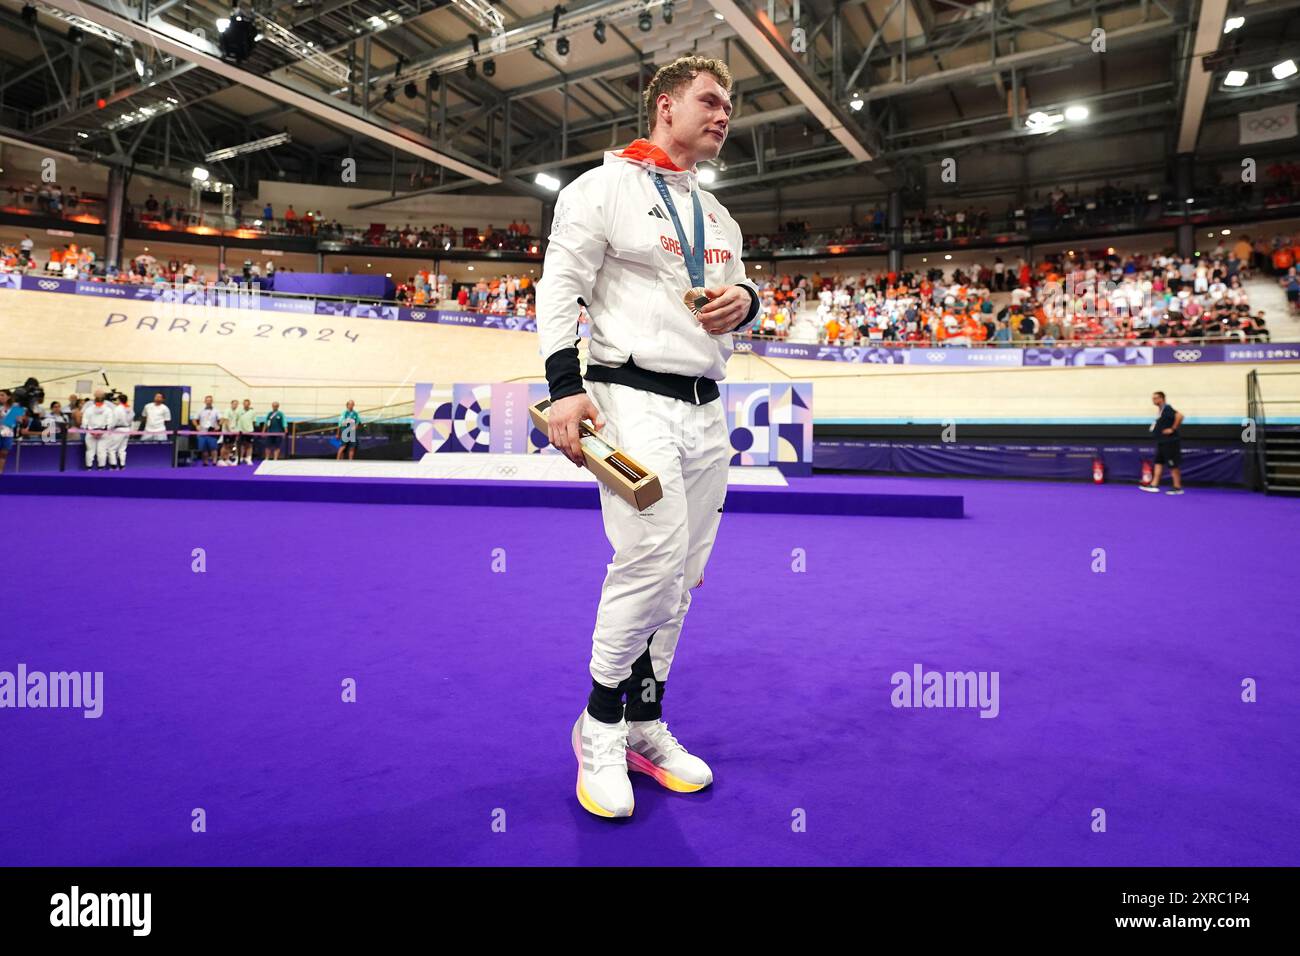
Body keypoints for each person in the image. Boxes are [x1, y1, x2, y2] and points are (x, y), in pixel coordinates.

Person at [536, 55, 760, 819]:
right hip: (629, 398)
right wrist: (566, 388)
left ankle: (643, 721)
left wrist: (749, 301)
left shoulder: (721, 217)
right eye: (711, 100)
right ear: (666, 106)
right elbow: (559, 287)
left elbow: (737, 291)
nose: (724, 114)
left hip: (706, 407)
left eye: (730, 105)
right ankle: (597, 727)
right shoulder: (601, 188)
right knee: (650, 556)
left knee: (684, 577)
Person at [1140, 390, 1185, 495]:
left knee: (1172, 464)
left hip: (1170, 442)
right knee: (1158, 462)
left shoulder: (1167, 408)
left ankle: (1177, 487)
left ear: (1162, 398)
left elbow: (1180, 416)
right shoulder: (1160, 410)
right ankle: (1154, 485)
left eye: (1155, 398)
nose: (1153, 400)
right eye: (1152, 398)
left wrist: (1172, 429)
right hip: (1161, 442)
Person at [80, 389, 116, 470]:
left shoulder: (89, 408)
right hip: (98, 432)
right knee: (97, 451)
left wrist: (92, 431)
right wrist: (99, 431)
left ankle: (93, 468)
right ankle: (95, 468)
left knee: (96, 451)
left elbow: (84, 422)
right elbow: (110, 422)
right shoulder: (106, 409)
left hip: (97, 432)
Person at [0, 388, 25, 475]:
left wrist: (18, 419)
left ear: (9, 397)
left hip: (8, 434)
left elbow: (17, 421)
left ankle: (0, 472)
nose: (0, 397)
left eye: (2, 395)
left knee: (3, 454)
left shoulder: (16, 408)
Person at [192, 395, 222, 466]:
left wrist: (218, 425)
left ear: (212, 401)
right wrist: (197, 425)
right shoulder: (200, 410)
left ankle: (214, 462)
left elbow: (221, 419)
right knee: (203, 449)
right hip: (202, 432)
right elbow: (194, 419)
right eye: (207, 400)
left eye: (210, 400)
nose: (208, 402)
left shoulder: (216, 410)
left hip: (212, 432)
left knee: (213, 448)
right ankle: (205, 462)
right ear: (205, 401)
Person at [108, 394, 133, 469]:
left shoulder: (118, 409)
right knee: (122, 449)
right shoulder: (130, 408)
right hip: (127, 429)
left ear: (119, 400)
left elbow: (114, 420)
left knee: (112, 448)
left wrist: (109, 428)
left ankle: (113, 465)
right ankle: (122, 465)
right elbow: (132, 420)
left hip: (118, 429)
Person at [219, 399, 241, 465]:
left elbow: (236, 421)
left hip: (234, 431)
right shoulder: (227, 411)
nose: (235, 405)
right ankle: (221, 460)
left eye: (236, 404)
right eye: (234, 404)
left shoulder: (237, 412)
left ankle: (227, 459)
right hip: (227, 431)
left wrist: (235, 431)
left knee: (231, 446)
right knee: (225, 445)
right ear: (231, 404)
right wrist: (229, 431)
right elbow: (226, 421)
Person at [237, 398, 257, 465]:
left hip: (249, 431)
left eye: (247, 403)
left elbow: (254, 421)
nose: (246, 405)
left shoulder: (253, 412)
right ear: (243, 404)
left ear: (249, 404)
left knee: (249, 445)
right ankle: (240, 458)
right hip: (241, 431)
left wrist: (252, 430)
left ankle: (248, 458)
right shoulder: (239, 411)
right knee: (241, 445)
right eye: (244, 403)